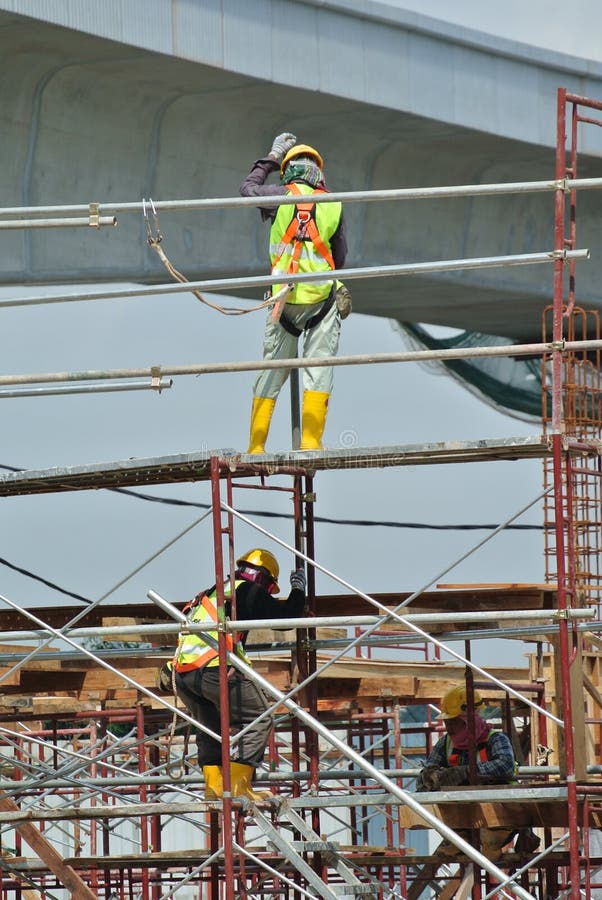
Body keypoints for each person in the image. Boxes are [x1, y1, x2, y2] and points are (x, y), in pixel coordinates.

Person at [240, 132, 350, 454]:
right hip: (321, 302)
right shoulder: (333, 204)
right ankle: (311, 443)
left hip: (283, 302)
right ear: (319, 171)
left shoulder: (279, 195)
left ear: (288, 169)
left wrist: (272, 157)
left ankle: (256, 447)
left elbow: (246, 190)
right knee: (319, 371)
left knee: (271, 373)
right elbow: (339, 258)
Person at [173, 548, 306, 802]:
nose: (267, 595)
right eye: (269, 589)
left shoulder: (215, 592)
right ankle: (238, 787)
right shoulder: (245, 590)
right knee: (259, 719)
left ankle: (213, 788)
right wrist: (298, 591)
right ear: (264, 579)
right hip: (212, 669)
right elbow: (285, 618)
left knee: (210, 728)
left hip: (185, 674)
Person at [416, 684, 539, 862]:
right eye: (446, 721)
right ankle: (460, 841)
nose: (448, 726)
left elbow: (504, 765)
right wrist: (432, 777)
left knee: (490, 844)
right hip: (463, 818)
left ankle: (487, 848)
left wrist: (468, 772)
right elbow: (425, 775)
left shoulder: (495, 739)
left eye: (452, 721)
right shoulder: (446, 744)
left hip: (499, 815)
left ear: (468, 719)